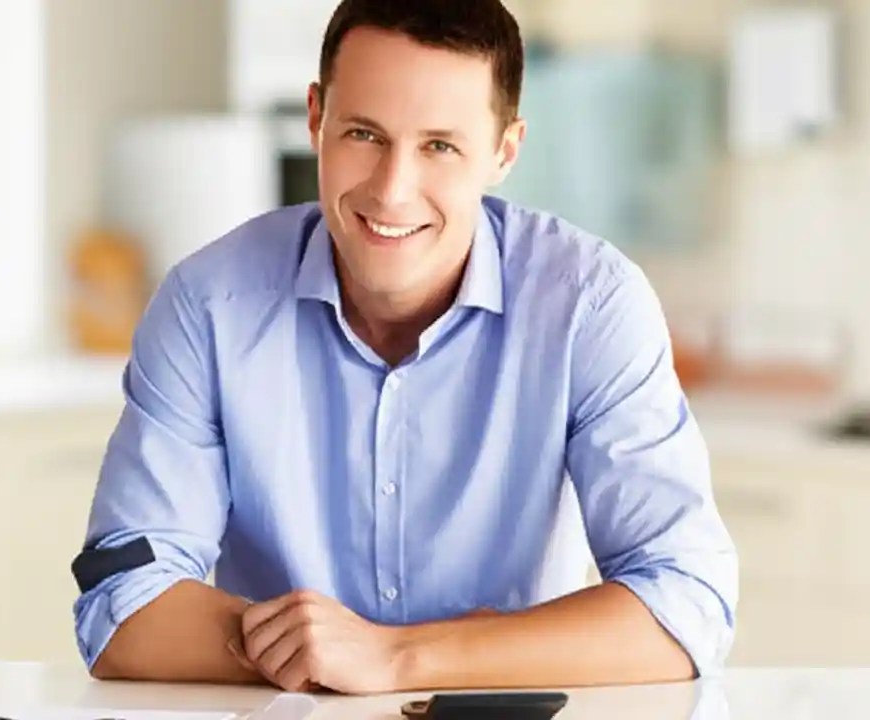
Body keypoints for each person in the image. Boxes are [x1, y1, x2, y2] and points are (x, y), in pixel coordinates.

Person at [72, 0, 737, 694]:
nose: (392, 191)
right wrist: (324, 651)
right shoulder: (207, 306)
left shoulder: (589, 305)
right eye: (364, 133)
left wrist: (396, 658)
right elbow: (122, 606)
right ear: (315, 119)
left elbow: (686, 602)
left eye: (439, 146)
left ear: (505, 150)